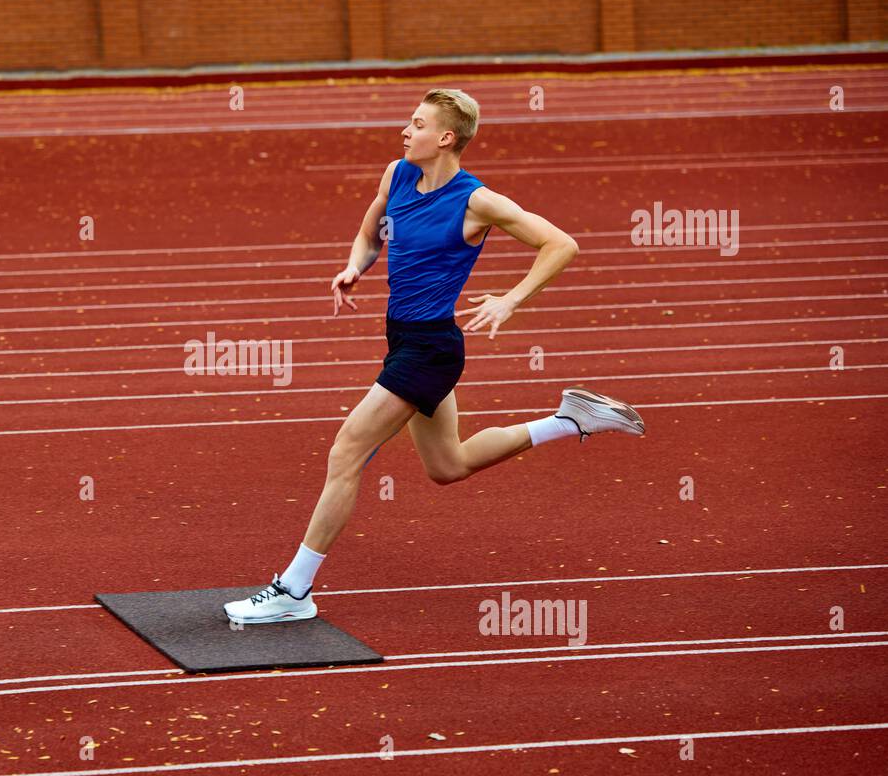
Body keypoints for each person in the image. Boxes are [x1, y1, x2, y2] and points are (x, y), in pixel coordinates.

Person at [224, 88, 645, 625]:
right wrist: (357, 267)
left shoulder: (477, 202)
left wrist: (512, 299)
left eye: (417, 124)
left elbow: (561, 244)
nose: (405, 131)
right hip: (404, 338)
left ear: (446, 138)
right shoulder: (397, 174)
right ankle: (569, 420)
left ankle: (294, 590)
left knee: (346, 452)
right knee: (449, 466)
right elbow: (370, 233)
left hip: (430, 350)